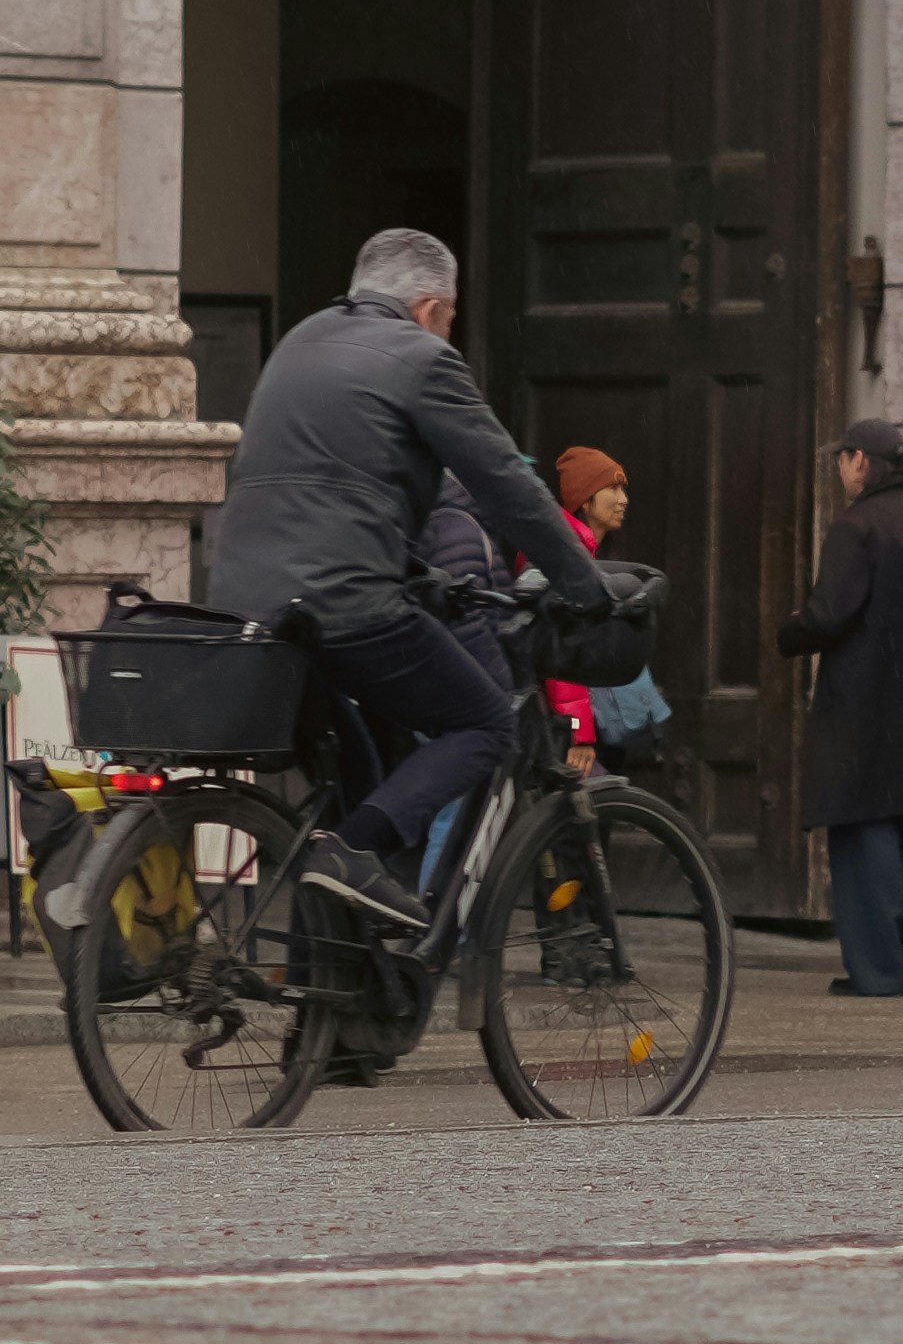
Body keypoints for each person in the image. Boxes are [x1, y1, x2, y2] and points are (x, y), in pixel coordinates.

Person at [202, 229, 607, 934]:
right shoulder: (422, 358)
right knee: (484, 722)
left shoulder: (300, 341)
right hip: (345, 601)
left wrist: (420, 571)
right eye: (449, 320)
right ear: (427, 309)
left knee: (351, 781)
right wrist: (583, 578)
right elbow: (505, 483)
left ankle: (333, 1015)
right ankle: (356, 854)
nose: (449, 334)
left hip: (248, 604)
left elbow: (331, 486)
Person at [782, 418, 903, 999]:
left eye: (843, 458)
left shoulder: (855, 527)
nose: (839, 469)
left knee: (865, 843)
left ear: (862, 462)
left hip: (862, 711)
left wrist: (790, 632)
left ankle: (880, 974)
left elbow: (829, 613)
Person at [549, 445, 670, 754]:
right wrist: (579, 734)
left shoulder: (589, 550)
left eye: (623, 489)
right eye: (613, 488)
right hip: (570, 730)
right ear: (584, 499)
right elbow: (561, 656)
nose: (623, 500)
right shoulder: (560, 554)